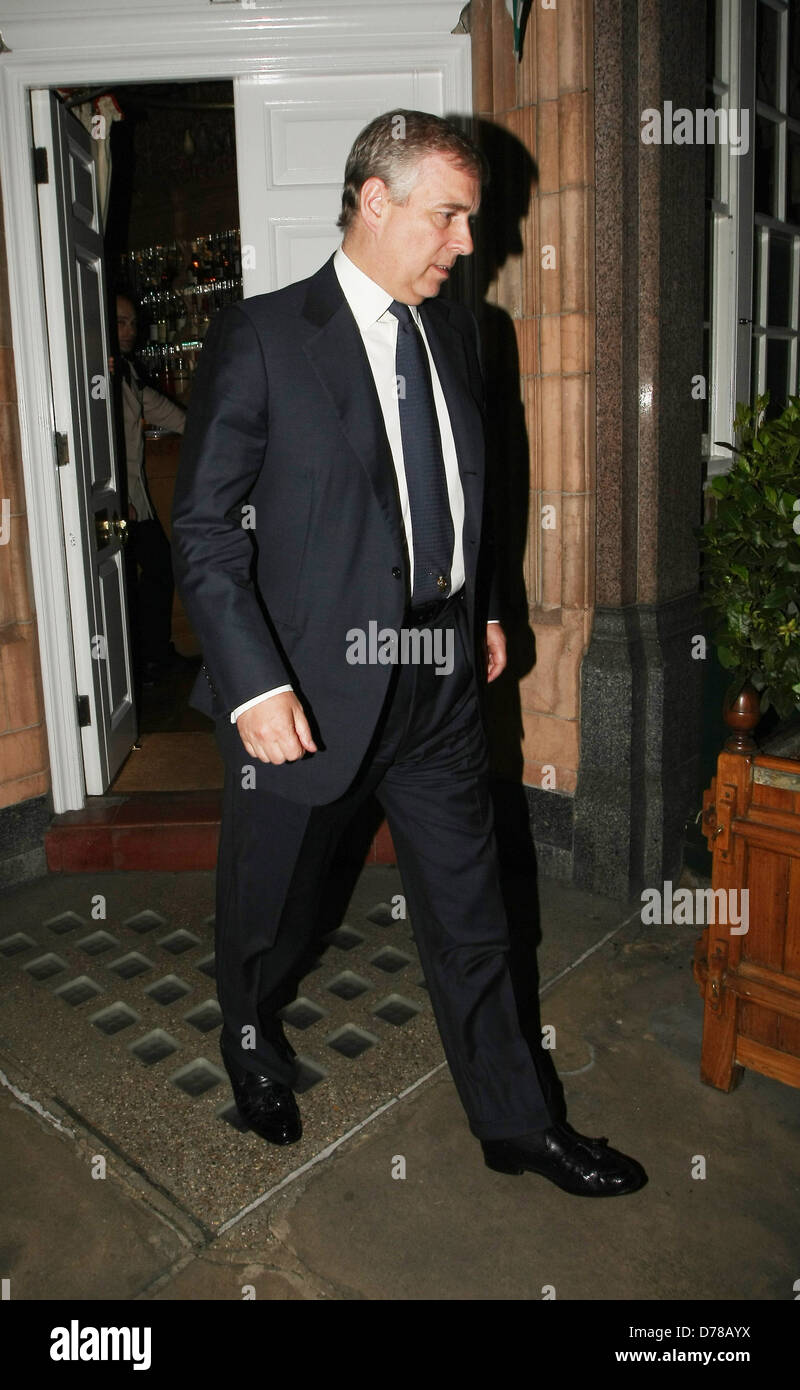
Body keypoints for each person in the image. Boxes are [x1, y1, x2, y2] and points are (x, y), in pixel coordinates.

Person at [172, 110, 647, 1198]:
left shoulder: (461, 332)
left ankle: (514, 1120)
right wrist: (252, 680)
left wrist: (474, 604)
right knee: (273, 907)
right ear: (375, 202)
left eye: (469, 219)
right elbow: (201, 528)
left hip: (433, 678)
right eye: (448, 215)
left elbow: (470, 484)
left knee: (473, 910)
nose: (466, 243)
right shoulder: (262, 337)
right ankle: (247, 1035)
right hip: (303, 687)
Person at [115, 292, 189, 685]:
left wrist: (211, 432)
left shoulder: (125, 372)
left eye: (132, 323)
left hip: (134, 500)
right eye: (121, 322)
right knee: (140, 576)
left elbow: (163, 410)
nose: (130, 330)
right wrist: (116, 497)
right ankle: (142, 660)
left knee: (159, 569)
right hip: (118, 503)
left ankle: (151, 655)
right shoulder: (99, 373)